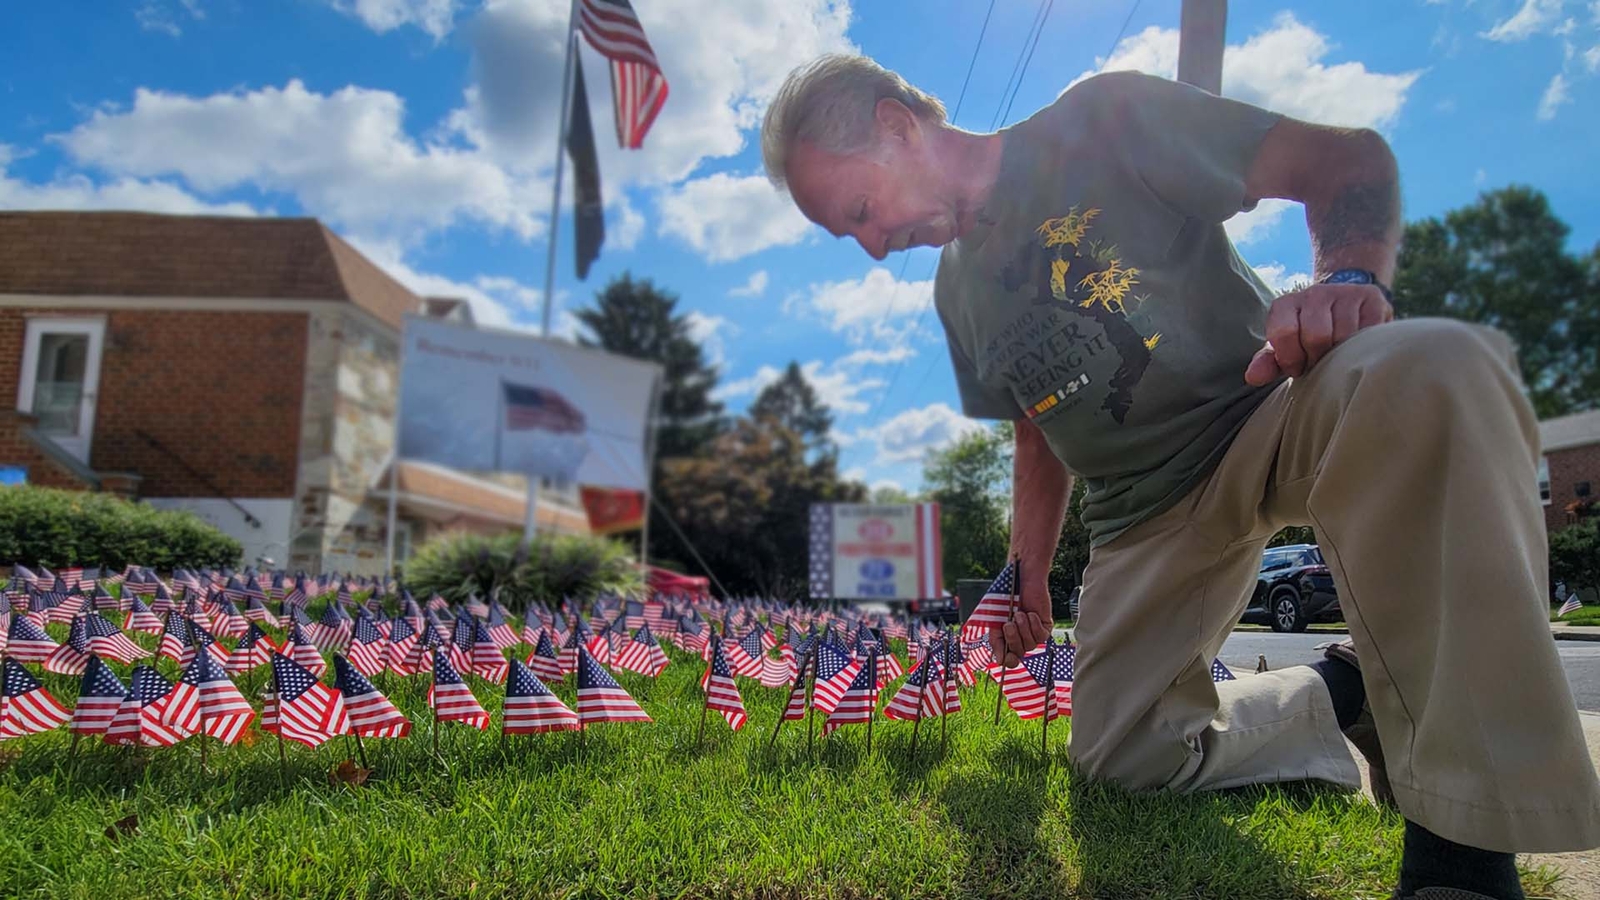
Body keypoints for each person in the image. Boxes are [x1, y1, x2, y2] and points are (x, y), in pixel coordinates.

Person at [760, 54, 1600, 900]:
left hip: (1267, 411)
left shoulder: (1103, 121)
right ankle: (1339, 691)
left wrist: (1346, 278)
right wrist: (1026, 574)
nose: (874, 248)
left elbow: (1345, 160)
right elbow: (1034, 430)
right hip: (1139, 516)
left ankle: (1462, 853)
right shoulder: (955, 292)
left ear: (897, 125)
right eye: (852, 236)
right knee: (1120, 762)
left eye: (861, 212)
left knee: (1432, 365)